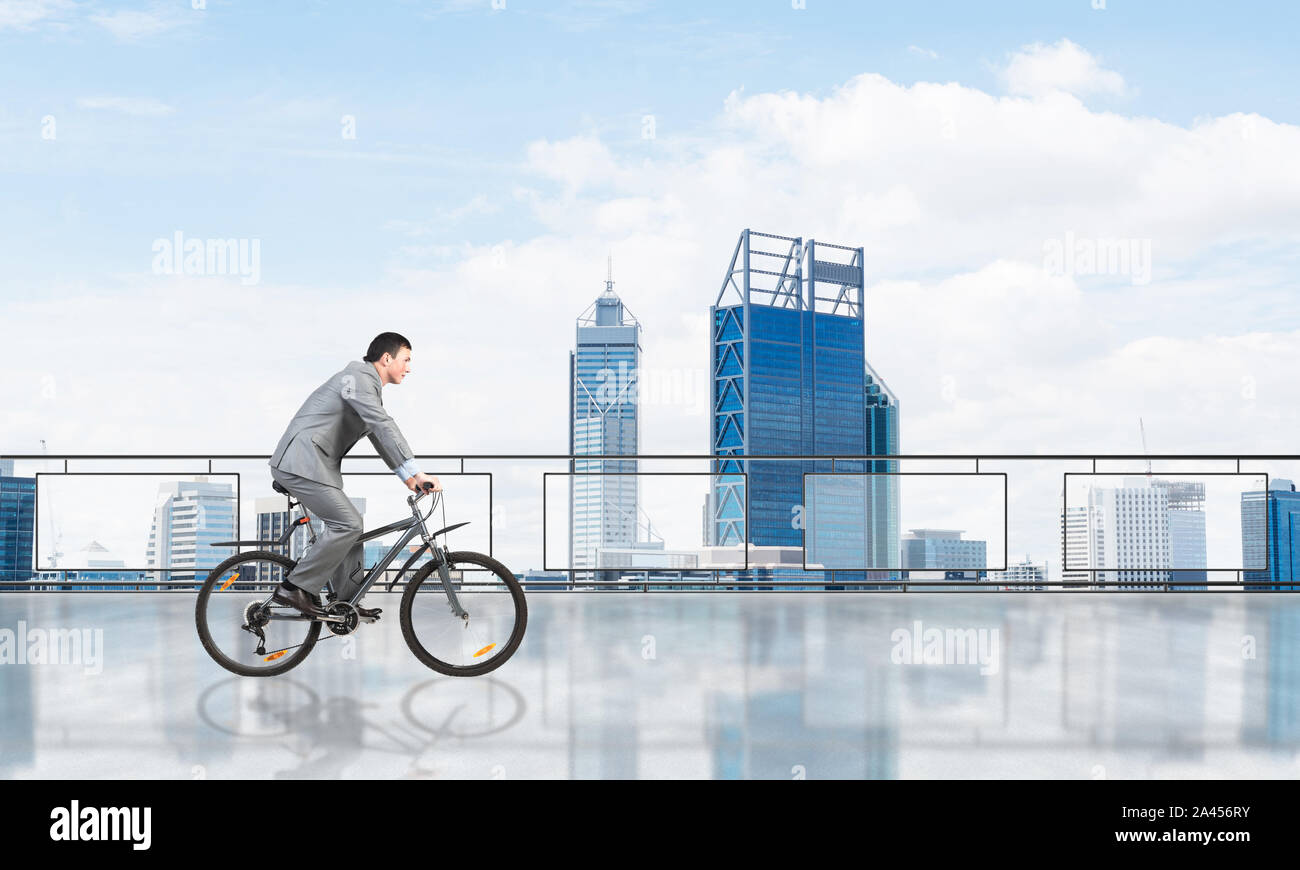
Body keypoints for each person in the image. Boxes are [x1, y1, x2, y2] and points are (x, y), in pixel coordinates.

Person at [267, 332, 440, 620]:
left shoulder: (367, 386)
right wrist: (417, 470)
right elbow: (382, 424)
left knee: (350, 528)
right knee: (348, 523)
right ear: (387, 358)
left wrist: (408, 477)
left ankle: (346, 601)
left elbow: (376, 432)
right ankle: (293, 587)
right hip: (300, 462)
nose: (409, 368)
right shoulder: (358, 377)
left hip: (313, 465)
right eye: (406, 360)